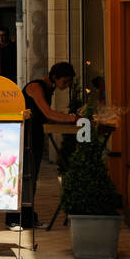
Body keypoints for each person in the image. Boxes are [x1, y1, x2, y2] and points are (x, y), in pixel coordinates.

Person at [5, 61, 77, 231]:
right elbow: (47, 112)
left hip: (34, 137)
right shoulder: (36, 87)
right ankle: (13, 219)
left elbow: (46, 117)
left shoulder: (49, 89)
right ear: (54, 77)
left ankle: (28, 218)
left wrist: (66, 119)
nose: (66, 86)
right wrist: (72, 118)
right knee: (22, 178)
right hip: (23, 137)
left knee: (32, 179)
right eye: (64, 82)